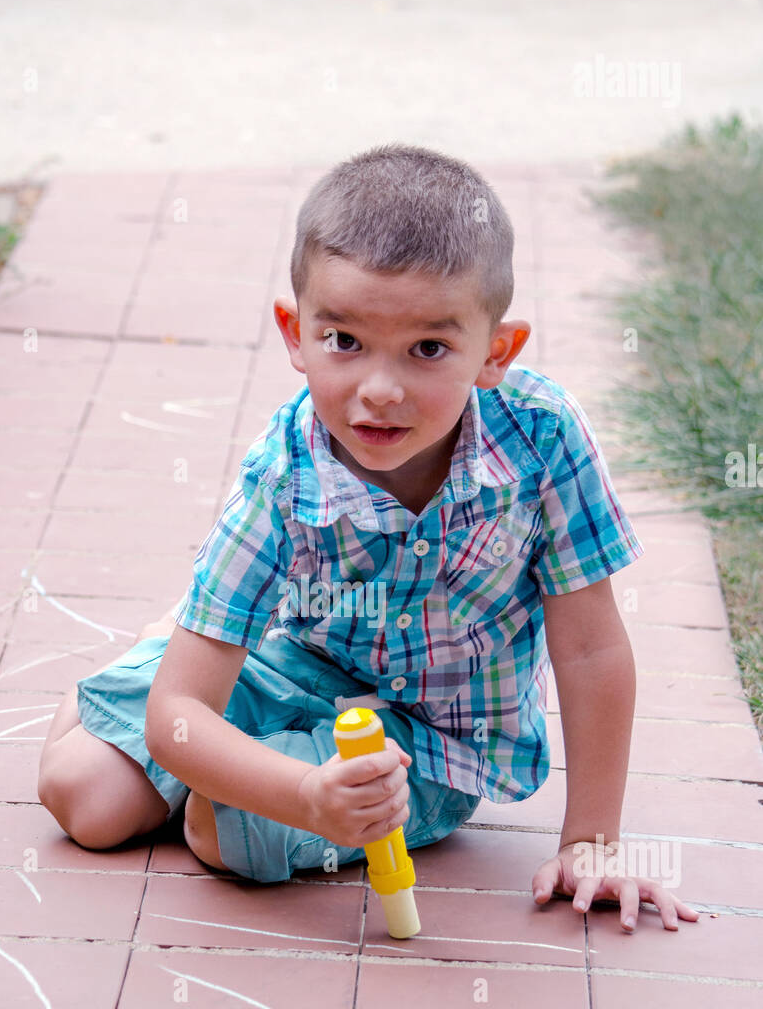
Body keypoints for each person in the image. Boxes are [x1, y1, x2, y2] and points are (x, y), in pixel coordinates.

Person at [37, 143, 698, 935]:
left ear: (495, 353)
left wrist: (590, 841)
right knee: (87, 800)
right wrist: (302, 794)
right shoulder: (284, 474)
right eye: (344, 341)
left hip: (431, 739)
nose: (378, 391)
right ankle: (161, 659)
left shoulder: (542, 441)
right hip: (293, 668)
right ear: (295, 333)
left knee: (220, 830)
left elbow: (589, 650)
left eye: (427, 349)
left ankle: (188, 680)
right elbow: (179, 712)